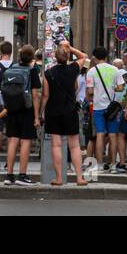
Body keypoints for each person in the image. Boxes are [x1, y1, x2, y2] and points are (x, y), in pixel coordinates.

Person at [41, 42, 88, 187]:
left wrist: (40, 113)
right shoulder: (73, 68)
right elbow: (84, 57)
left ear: (55, 58)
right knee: (74, 146)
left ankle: (59, 178)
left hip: (53, 112)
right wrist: (70, 48)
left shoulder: (48, 73)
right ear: (67, 57)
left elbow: (45, 95)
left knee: (56, 145)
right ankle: (79, 178)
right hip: (70, 111)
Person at [0, 45, 41, 185]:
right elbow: (35, 95)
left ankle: (9, 175)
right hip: (27, 109)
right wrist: (36, 116)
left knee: (13, 141)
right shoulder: (32, 71)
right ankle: (22, 175)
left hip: (11, 108)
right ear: (32, 58)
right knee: (26, 141)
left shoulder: (9, 69)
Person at [86, 46, 126, 171]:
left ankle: (98, 165)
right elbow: (120, 88)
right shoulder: (115, 70)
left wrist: (97, 92)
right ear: (106, 56)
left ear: (94, 57)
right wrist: (111, 88)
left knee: (99, 135)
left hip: (98, 107)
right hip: (112, 108)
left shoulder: (91, 71)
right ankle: (113, 164)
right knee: (113, 135)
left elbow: (90, 91)